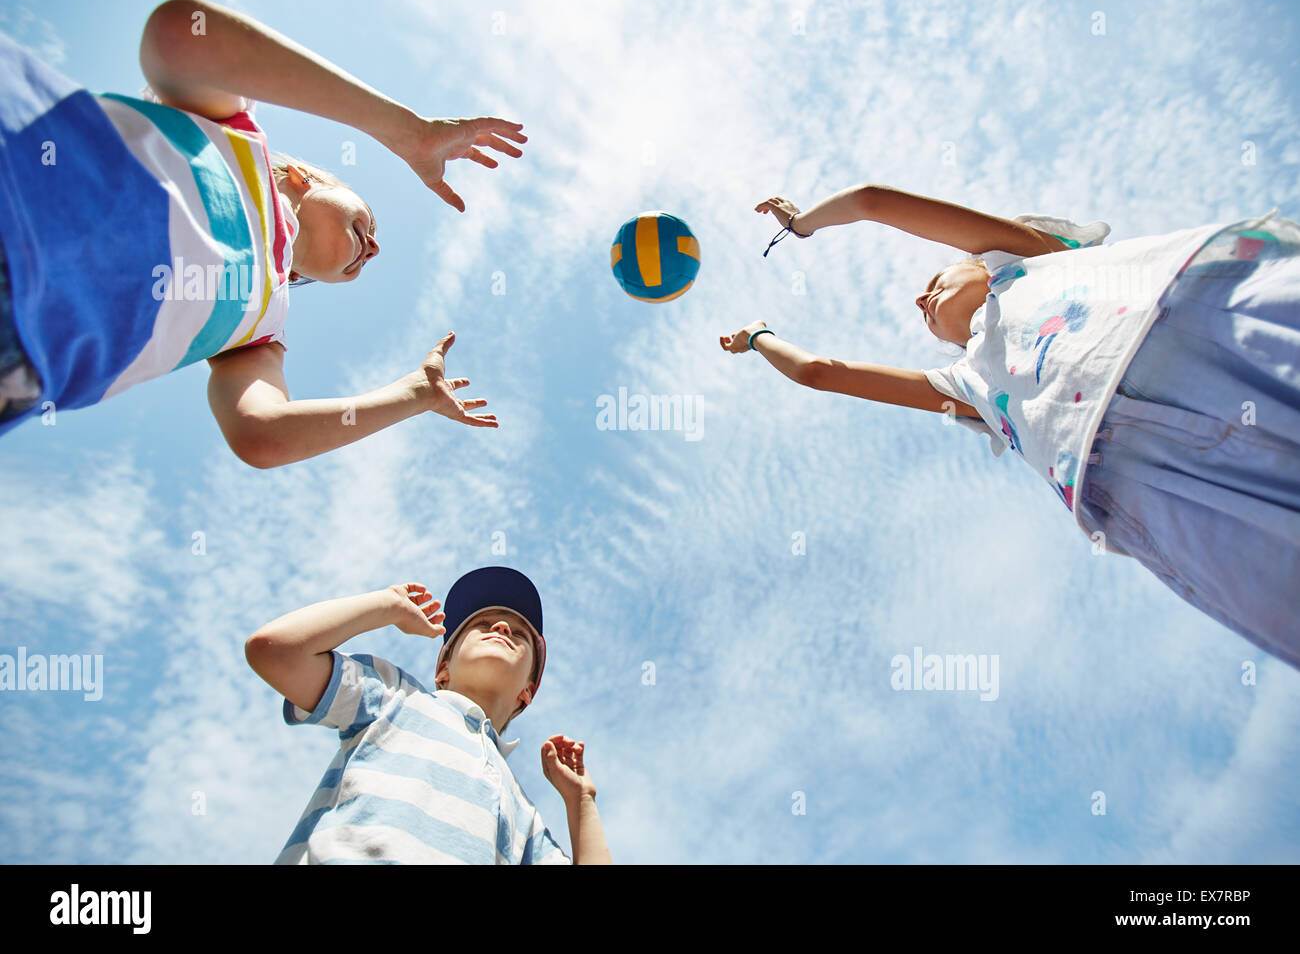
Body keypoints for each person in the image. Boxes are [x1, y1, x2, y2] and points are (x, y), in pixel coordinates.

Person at [723, 183, 1300, 670]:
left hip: (1199, 337)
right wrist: (758, 337)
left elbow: (873, 200)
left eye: (937, 276)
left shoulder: (1026, 260)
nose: (920, 296)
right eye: (924, 302)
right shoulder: (969, 386)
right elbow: (822, 374)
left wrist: (801, 223)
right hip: (1154, 484)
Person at [0, 0, 526, 465]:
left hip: (20, 355)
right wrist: (406, 131)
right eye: (369, 220)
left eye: (368, 253)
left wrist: (417, 393)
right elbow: (181, 34)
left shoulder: (259, 332)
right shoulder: (233, 137)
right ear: (306, 178)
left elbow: (262, 436)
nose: (375, 247)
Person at [245, 566, 613, 865]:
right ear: (443, 669)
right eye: (481, 625)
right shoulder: (394, 697)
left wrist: (581, 802)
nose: (502, 628)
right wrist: (386, 606)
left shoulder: (522, 815)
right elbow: (274, 652)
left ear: (526, 692)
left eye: (519, 633)